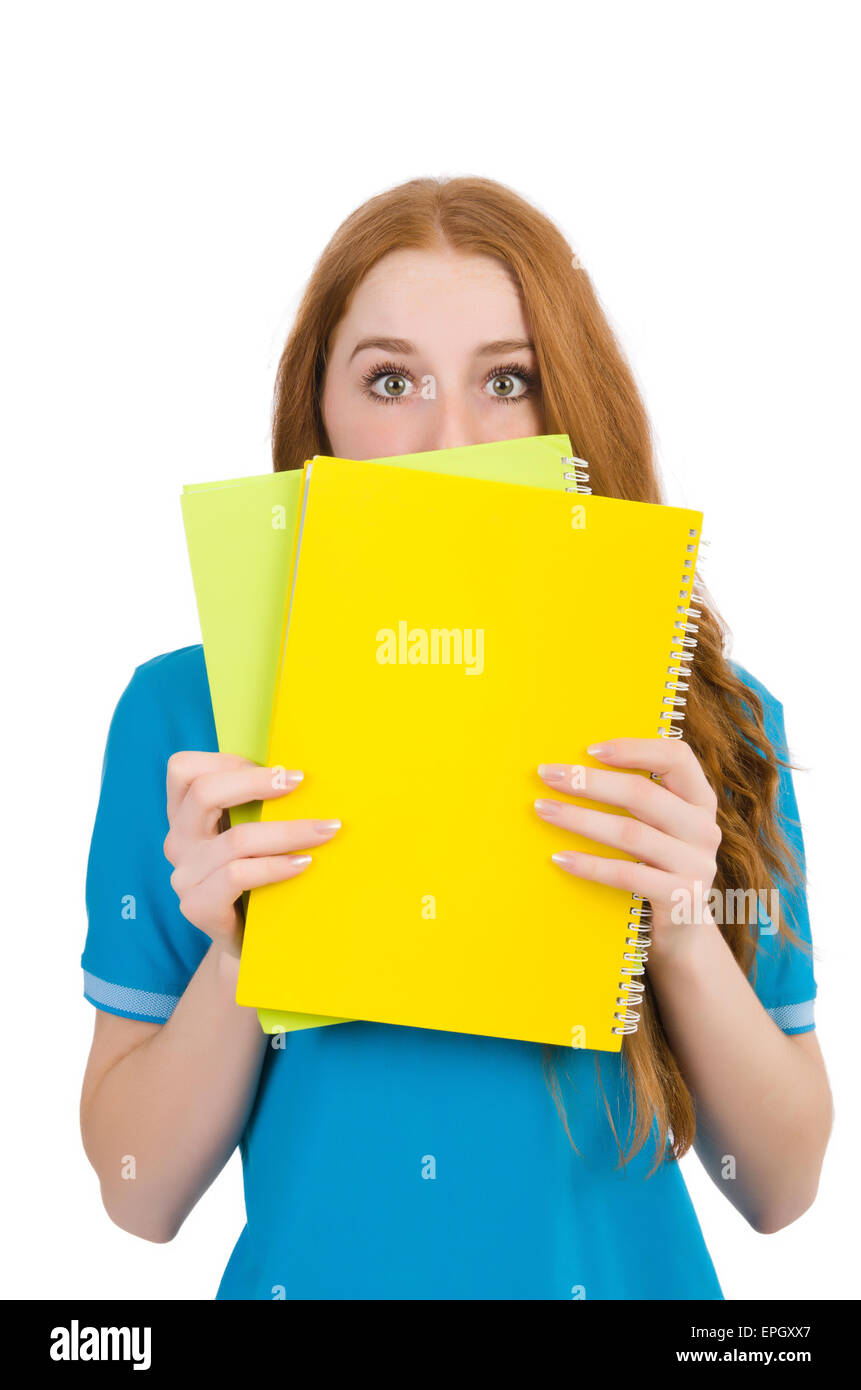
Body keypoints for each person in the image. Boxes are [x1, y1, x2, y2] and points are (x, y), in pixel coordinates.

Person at [79, 175, 833, 1300]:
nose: (448, 438)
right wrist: (241, 955)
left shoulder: (707, 719)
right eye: (392, 380)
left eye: (508, 381)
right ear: (319, 417)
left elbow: (781, 1188)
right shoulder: (186, 718)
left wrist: (678, 930)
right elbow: (137, 1195)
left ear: (566, 406)